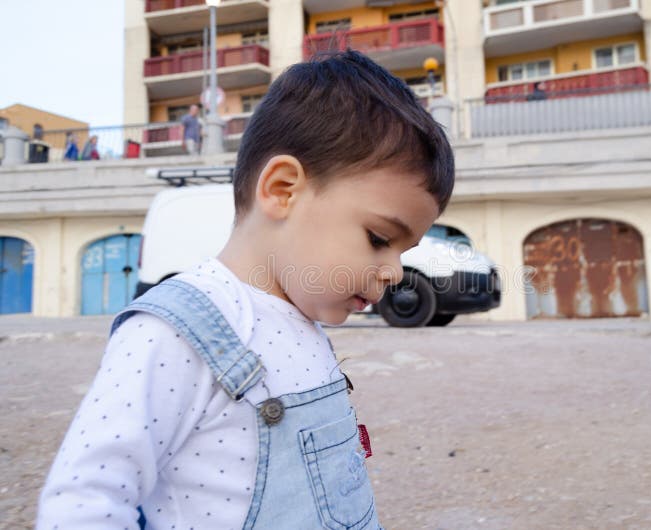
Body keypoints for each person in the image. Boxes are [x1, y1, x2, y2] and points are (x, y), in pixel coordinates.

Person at [36, 50, 454, 530]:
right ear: (282, 190)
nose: (395, 272)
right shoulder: (177, 334)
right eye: (380, 239)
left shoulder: (299, 318)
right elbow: (83, 503)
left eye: (403, 250)